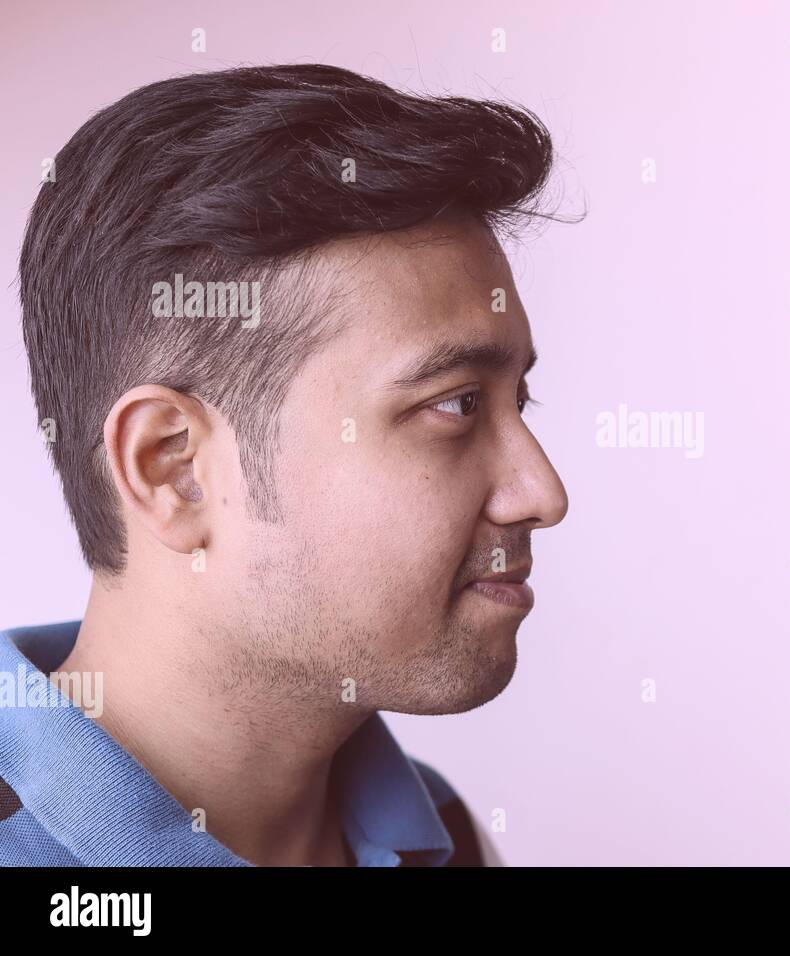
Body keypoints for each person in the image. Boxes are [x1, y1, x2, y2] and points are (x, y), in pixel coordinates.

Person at [0, 63, 570, 867]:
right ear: (173, 468)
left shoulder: (440, 838)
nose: (543, 494)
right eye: (456, 405)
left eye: (520, 400)